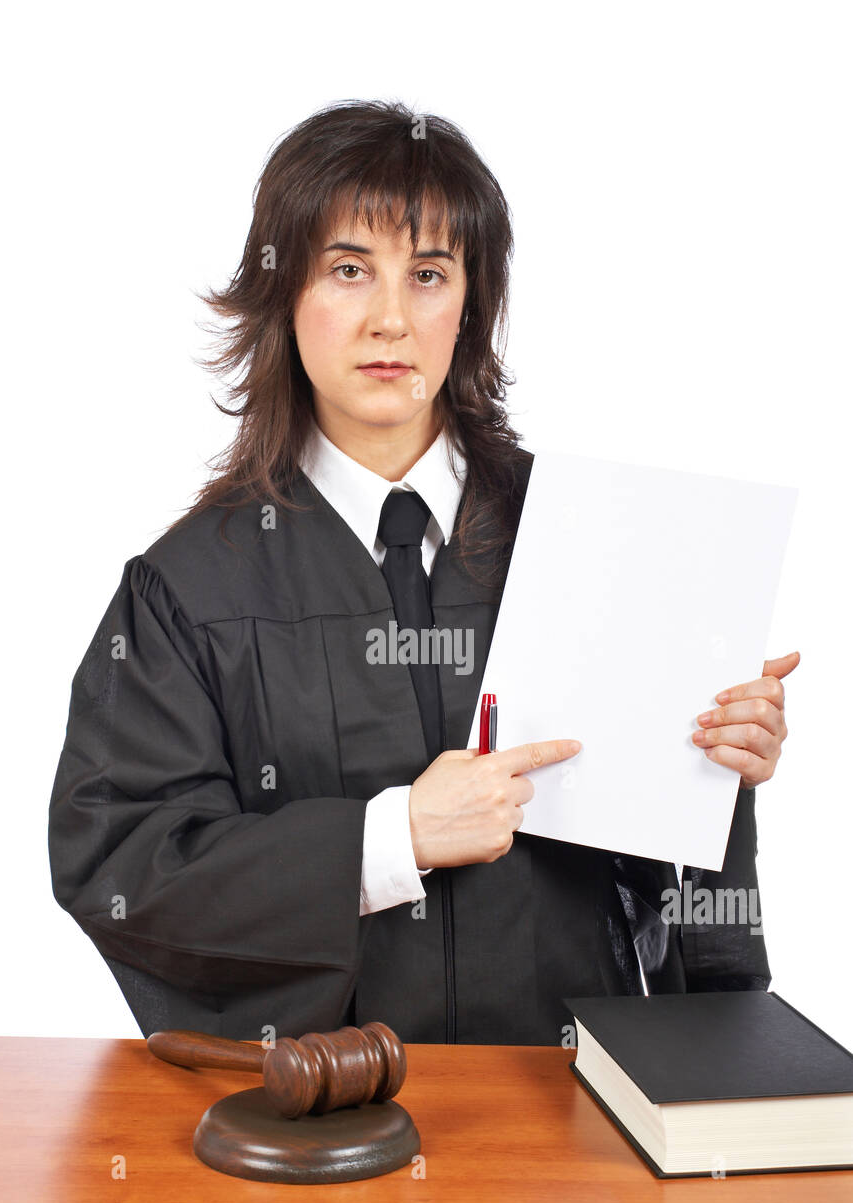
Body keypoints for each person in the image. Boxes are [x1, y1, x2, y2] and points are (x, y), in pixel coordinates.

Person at [47, 100, 796, 1045]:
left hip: (566, 1111)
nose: (390, 319)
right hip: (326, 1117)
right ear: (283, 292)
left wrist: (718, 768)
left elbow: (673, 888)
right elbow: (122, 867)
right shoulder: (190, 589)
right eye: (350, 269)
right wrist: (387, 841)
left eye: (430, 274)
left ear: (468, 308)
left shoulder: (599, 543)